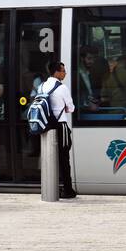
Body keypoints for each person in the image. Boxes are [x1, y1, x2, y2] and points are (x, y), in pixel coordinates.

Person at [40, 61, 77, 199]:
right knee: (63, 159)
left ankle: (50, 189)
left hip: (46, 127)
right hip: (60, 126)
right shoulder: (62, 88)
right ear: (56, 72)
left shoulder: (42, 86)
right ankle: (67, 190)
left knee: (49, 159)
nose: (65, 73)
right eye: (63, 70)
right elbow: (71, 108)